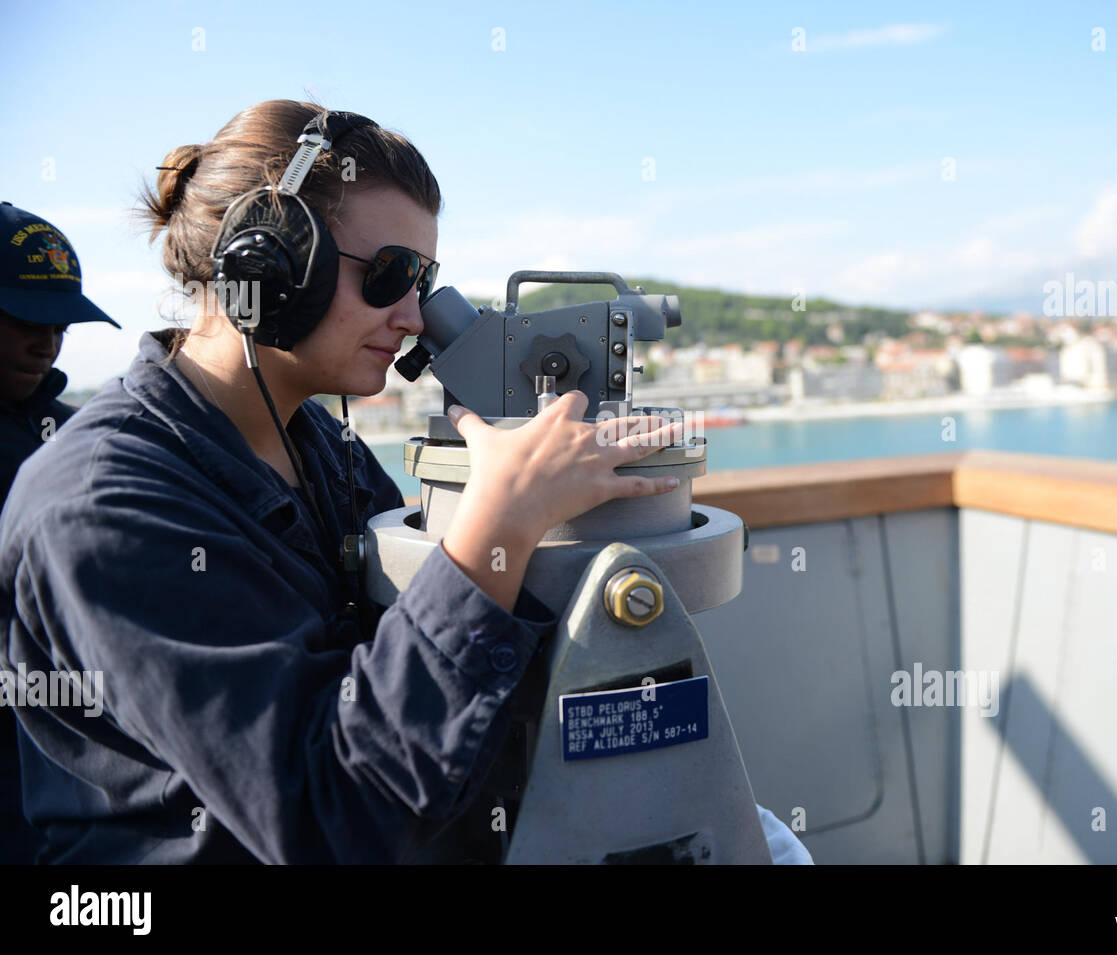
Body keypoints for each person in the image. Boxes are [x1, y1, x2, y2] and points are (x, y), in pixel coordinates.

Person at [1, 100, 805, 864]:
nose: (416, 317)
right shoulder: (103, 507)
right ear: (270, 261)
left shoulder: (319, 446)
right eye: (388, 275)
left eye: (421, 281)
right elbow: (323, 821)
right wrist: (499, 522)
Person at [0, 202, 121, 864]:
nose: (46, 340)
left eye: (61, 323)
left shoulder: (86, 436)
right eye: (24, 316)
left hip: (70, 768)